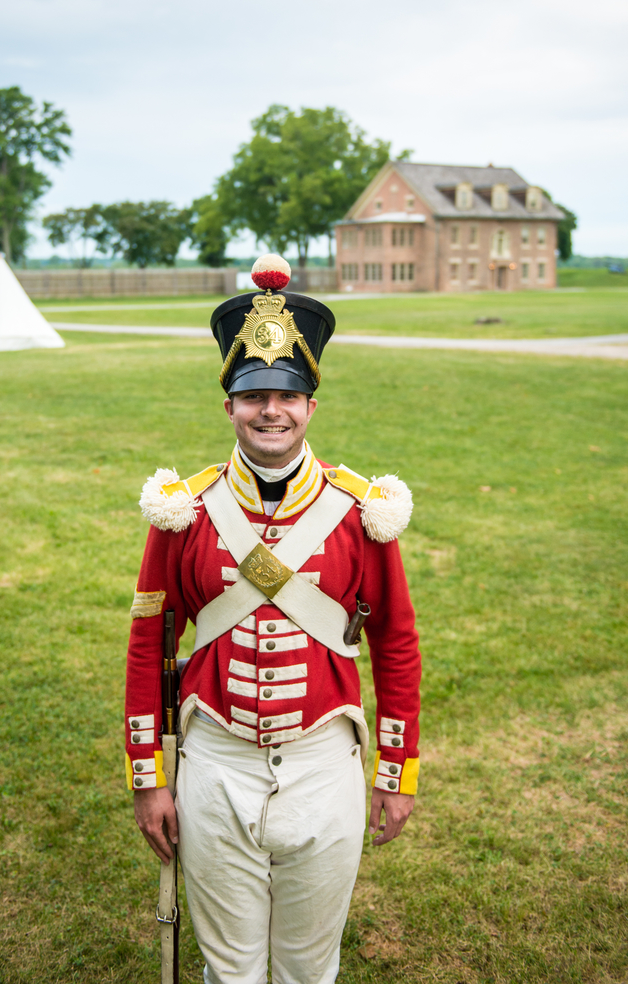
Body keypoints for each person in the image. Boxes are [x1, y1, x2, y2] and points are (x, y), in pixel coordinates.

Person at [125, 254, 421, 984]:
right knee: (229, 970)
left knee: (307, 967)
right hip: (216, 764)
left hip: (325, 763)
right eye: (253, 393)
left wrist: (396, 770)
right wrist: (148, 777)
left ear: (311, 406)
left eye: (287, 394)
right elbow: (147, 643)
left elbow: (396, 641)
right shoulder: (183, 508)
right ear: (228, 404)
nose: (270, 410)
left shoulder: (360, 510)